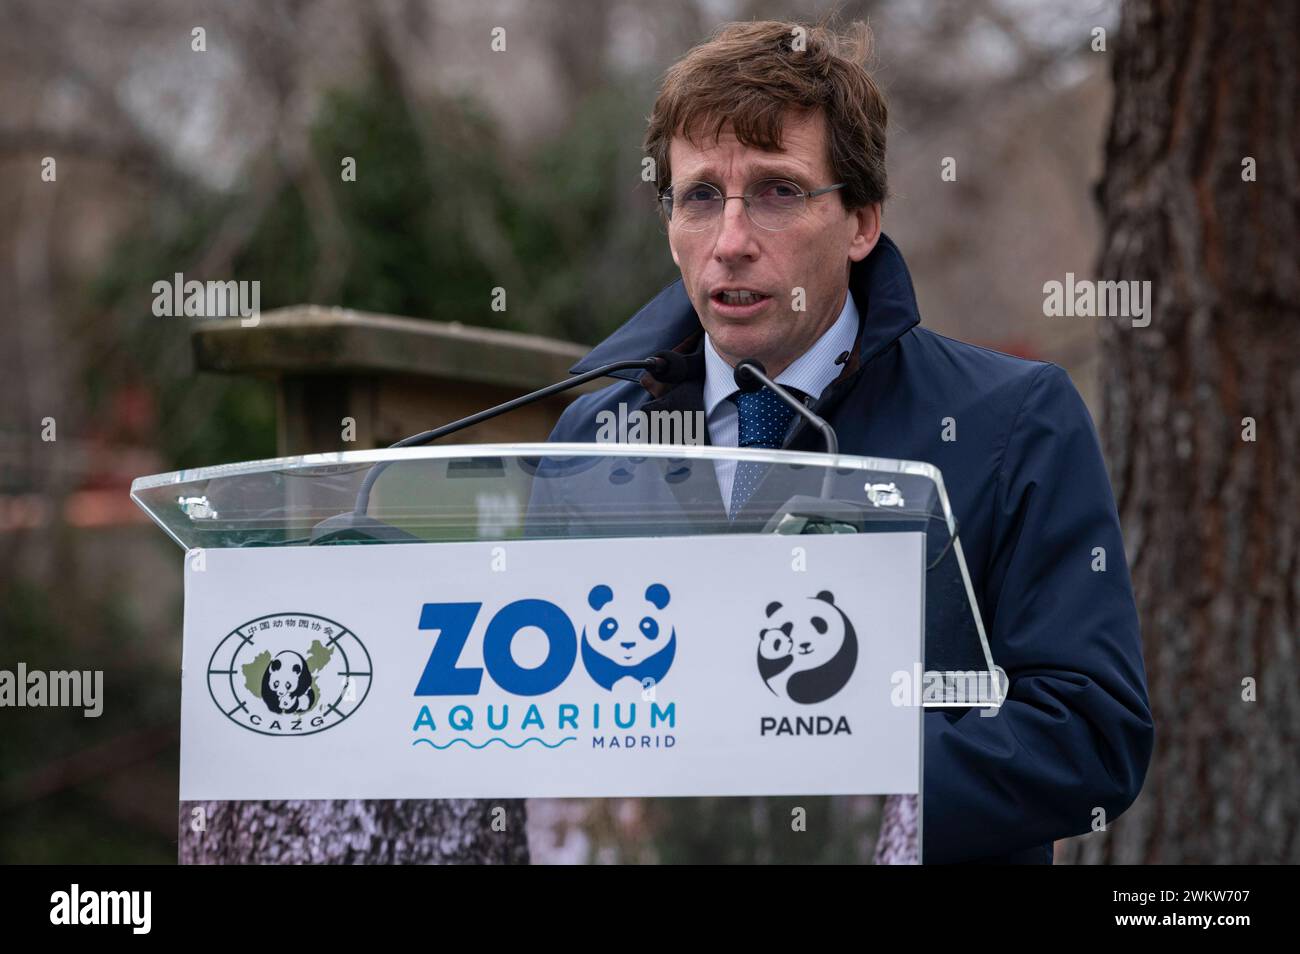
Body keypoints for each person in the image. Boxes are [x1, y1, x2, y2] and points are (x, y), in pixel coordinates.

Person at [544, 19, 1154, 864]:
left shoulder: (1016, 422)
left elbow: (1089, 735)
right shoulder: (591, 435)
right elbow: (547, 725)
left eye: (777, 192)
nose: (730, 241)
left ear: (862, 221)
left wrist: (825, 803)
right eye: (699, 197)